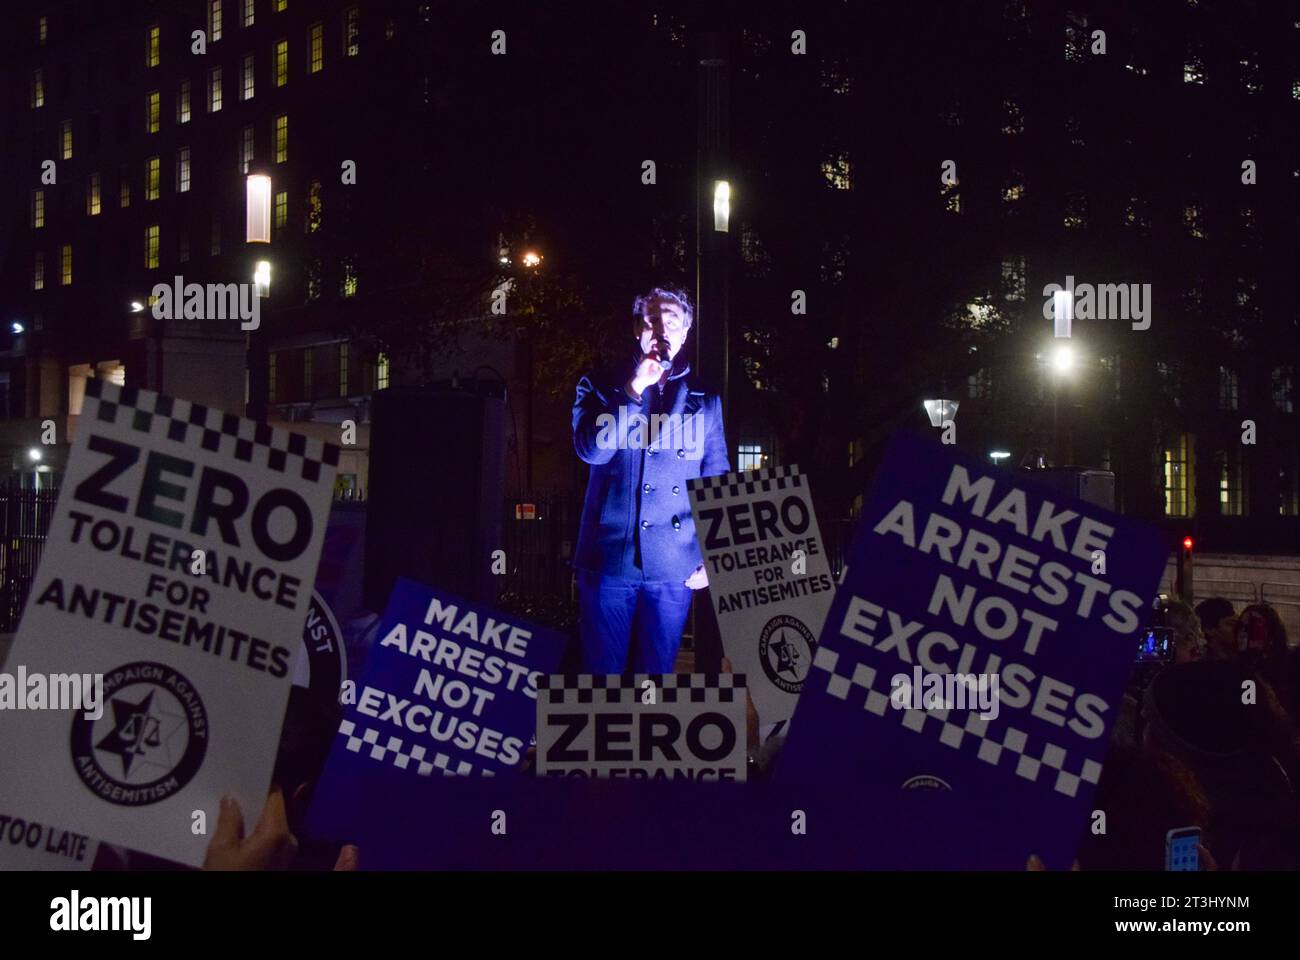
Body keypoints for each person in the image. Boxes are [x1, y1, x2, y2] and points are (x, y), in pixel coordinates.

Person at [571, 287, 730, 673]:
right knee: (601, 683)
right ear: (636, 328)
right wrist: (633, 388)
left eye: (672, 322)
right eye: (652, 320)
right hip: (609, 559)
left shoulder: (705, 399)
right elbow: (592, 451)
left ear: (685, 333)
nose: (662, 329)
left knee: (653, 686)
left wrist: (714, 556)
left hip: (676, 566)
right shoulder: (598, 385)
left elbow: (716, 478)